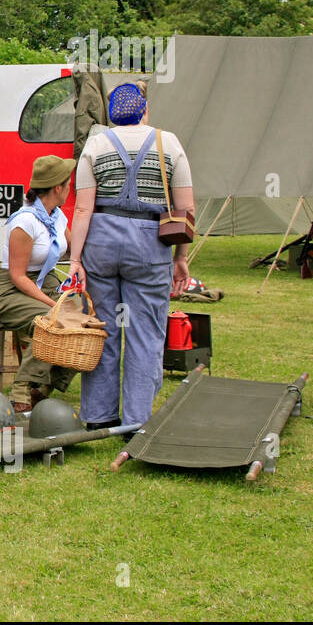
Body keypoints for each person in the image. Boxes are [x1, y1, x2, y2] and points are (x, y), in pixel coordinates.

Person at [68, 82, 194, 428]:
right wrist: (180, 259)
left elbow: (82, 210)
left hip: (102, 243)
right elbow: (186, 209)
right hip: (150, 243)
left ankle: (98, 416)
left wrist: (75, 260)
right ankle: (136, 421)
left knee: (102, 328)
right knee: (145, 334)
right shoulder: (169, 144)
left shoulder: (95, 144)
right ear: (145, 110)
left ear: (112, 114)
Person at [0, 155, 78, 412]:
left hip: (44, 281)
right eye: (68, 183)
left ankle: (44, 388)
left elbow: (72, 250)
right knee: (48, 320)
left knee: (82, 319)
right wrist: (54, 304)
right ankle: (21, 392)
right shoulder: (25, 222)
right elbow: (18, 275)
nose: (70, 188)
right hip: (11, 288)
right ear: (58, 188)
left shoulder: (57, 217)